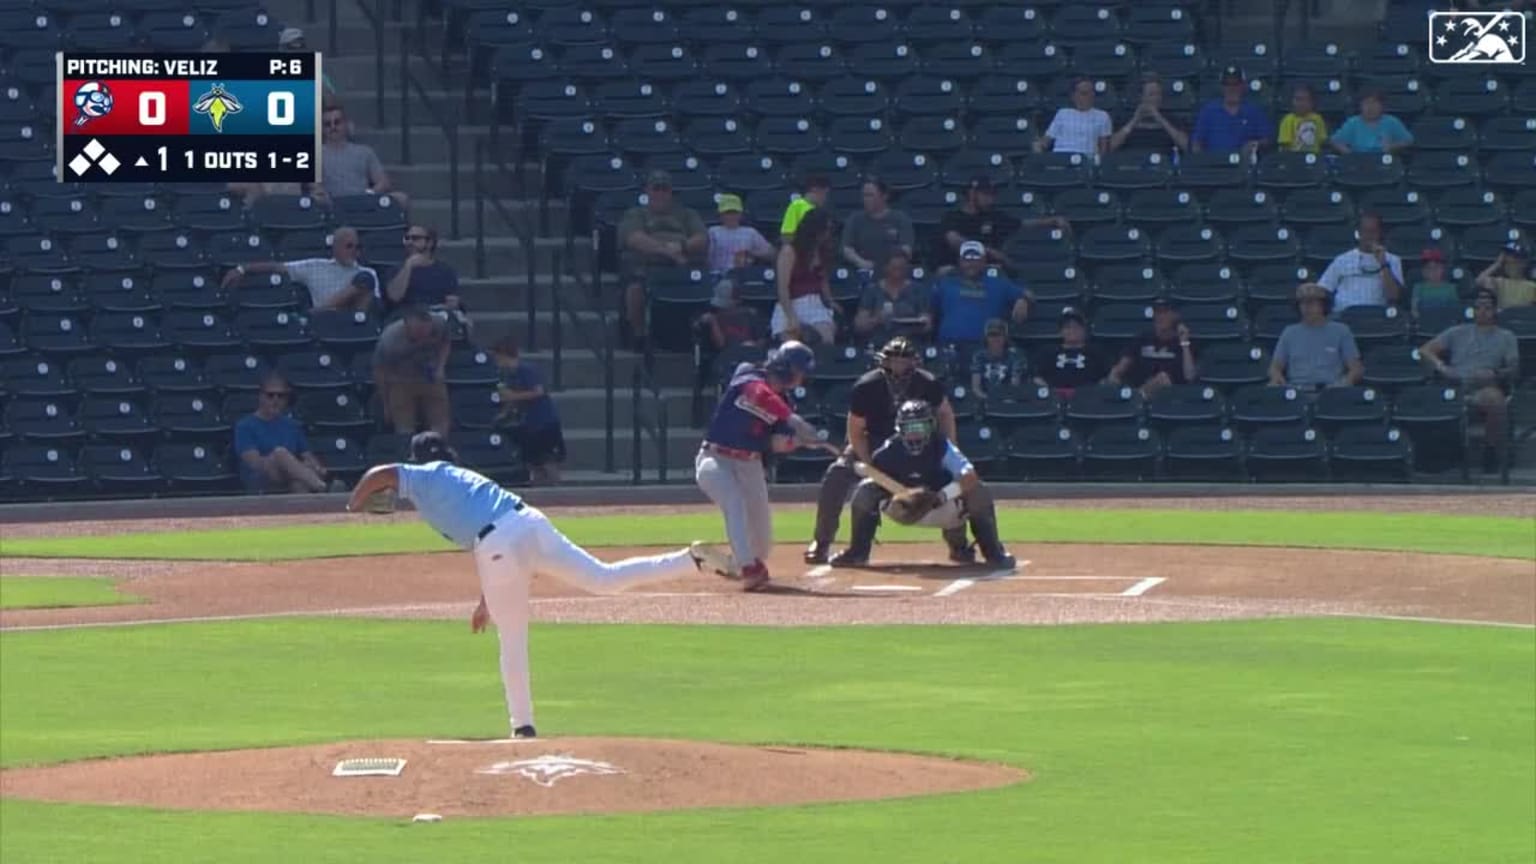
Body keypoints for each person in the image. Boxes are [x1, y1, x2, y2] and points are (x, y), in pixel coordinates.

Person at [346, 432, 733, 739]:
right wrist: (487, 600)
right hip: (529, 522)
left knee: (512, 637)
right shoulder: (463, 480)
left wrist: (353, 504)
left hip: (499, 543)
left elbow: (380, 474)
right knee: (604, 578)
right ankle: (690, 559)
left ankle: (523, 725)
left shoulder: (426, 475)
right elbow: (490, 537)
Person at [805, 336, 957, 564]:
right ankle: (823, 541)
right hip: (873, 442)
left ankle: (959, 545)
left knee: (953, 478)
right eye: (893, 361)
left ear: (914, 362)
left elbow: (945, 413)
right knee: (836, 473)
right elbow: (855, 428)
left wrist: (947, 449)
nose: (898, 366)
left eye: (903, 361)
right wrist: (871, 465)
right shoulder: (867, 386)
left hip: (920, 444)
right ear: (883, 361)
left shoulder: (928, 383)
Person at [694, 342, 826, 591]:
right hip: (715, 459)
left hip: (750, 465)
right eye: (799, 371)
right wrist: (795, 421)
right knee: (734, 503)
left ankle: (740, 563)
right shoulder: (748, 373)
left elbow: (774, 443)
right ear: (786, 368)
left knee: (762, 541)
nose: (802, 377)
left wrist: (799, 442)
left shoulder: (786, 404)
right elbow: (758, 394)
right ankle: (747, 568)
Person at [829, 400, 1015, 569]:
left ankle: (990, 552)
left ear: (930, 427)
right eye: (909, 428)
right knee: (865, 491)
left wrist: (941, 496)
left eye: (919, 426)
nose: (914, 433)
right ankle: (857, 552)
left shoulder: (941, 446)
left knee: (978, 492)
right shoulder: (887, 452)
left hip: (943, 506)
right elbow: (875, 480)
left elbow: (969, 475)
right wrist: (901, 498)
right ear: (899, 429)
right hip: (903, 509)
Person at [1420, 289, 1520, 471]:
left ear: (1496, 310)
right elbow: (1425, 350)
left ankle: (1491, 451)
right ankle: (1437, 456)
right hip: (1455, 385)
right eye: (1478, 307)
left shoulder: (1506, 337)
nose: (1482, 311)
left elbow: (1513, 368)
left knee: (1495, 399)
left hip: (1485, 386)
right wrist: (1442, 367)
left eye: (1487, 308)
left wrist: (1496, 373)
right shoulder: (1457, 332)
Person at [618, 170, 708, 343]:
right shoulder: (636, 214)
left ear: (671, 192)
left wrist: (682, 246)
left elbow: (702, 239)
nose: (660, 193)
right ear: (647, 191)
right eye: (655, 189)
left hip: (682, 270)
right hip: (648, 268)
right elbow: (634, 239)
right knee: (635, 290)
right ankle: (639, 336)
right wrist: (669, 252)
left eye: (664, 189)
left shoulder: (687, 214)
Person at [221, 226, 377, 312]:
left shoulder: (368, 272)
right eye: (349, 246)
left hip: (355, 320)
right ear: (335, 247)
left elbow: (373, 305)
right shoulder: (316, 266)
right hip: (326, 324)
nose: (355, 251)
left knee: (364, 279)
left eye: (358, 247)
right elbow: (279, 267)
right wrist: (243, 269)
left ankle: (319, 312)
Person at [234, 372, 335, 494]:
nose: (276, 400)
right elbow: (254, 463)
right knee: (280, 453)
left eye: (280, 396)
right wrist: (284, 464)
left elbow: (307, 455)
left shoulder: (293, 426)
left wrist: (315, 468)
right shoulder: (245, 426)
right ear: (261, 396)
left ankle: (309, 510)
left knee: (298, 483)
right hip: (261, 477)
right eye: (270, 395)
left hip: (291, 475)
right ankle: (324, 488)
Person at [936, 176, 1065, 269]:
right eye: (985, 194)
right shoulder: (952, 217)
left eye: (992, 195)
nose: (990, 200)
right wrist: (991, 252)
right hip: (957, 270)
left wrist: (1051, 221)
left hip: (988, 272)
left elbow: (1021, 224)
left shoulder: (994, 216)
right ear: (972, 194)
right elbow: (954, 240)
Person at [930, 241, 1031, 352]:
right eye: (967, 260)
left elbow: (1028, 294)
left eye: (976, 260)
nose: (971, 264)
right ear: (959, 261)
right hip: (949, 346)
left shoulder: (998, 282)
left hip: (985, 348)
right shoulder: (946, 281)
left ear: (984, 261)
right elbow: (928, 306)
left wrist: (1023, 300)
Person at [490, 339, 566, 486]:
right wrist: (504, 413)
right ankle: (540, 485)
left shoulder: (526, 369)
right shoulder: (511, 375)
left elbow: (538, 391)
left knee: (545, 458)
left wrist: (512, 396)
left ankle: (557, 488)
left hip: (544, 421)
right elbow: (514, 399)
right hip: (530, 422)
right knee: (532, 459)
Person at [372, 305, 451, 435]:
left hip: (430, 376)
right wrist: (385, 403)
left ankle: (440, 449)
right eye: (419, 332)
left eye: (427, 332)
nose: (424, 336)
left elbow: (446, 342)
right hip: (400, 380)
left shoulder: (440, 324)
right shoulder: (390, 338)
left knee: (441, 423)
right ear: (407, 325)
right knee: (404, 429)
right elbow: (379, 370)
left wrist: (441, 367)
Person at [1268, 283, 1364, 391]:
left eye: (1311, 302)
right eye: (1302, 303)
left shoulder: (1341, 331)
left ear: (1323, 305)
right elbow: (1275, 367)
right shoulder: (1289, 332)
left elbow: (1356, 368)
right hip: (1297, 391)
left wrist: (1346, 382)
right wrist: (1276, 377)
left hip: (1331, 391)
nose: (1306, 307)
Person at [770, 207, 839, 345]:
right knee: (791, 345)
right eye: (826, 229)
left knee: (826, 338)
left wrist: (830, 300)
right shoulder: (789, 251)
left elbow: (822, 279)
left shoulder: (822, 250)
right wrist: (791, 317)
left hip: (813, 302)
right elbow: (783, 288)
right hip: (790, 303)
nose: (828, 234)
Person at [320, 104, 407, 210]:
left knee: (401, 198)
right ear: (322, 129)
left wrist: (369, 193)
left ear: (346, 124)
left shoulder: (364, 152)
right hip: (335, 205)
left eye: (337, 122)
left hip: (364, 202)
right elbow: (315, 188)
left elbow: (383, 181)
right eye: (328, 124)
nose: (333, 127)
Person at [1108, 298, 1198, 396]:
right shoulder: (1143, 338)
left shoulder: (1185, 343)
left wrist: (1184, 343)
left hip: (1171, 396)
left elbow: (1190, 376)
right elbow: (1123, 364)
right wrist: (1114, 374)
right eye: (1157, 312)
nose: (1160, 316)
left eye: (1165, 312)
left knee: (1162, 378)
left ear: (1175, 316)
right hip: (1138, 386)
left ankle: (1136, 399)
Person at [1317, 213, 1404, 311]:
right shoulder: (1342, 260)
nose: (1368, 236)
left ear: (1380, 233)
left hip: (1377, 317)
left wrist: (1383, 263)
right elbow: (1323, 289)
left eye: (1373, 231)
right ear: (1358, 233)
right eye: (1365, 231)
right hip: (1344, 315)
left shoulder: (1393, 260)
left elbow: (1393, 296)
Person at [383, 224, 463, 321]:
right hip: (405, 317)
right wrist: (408, 266)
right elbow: (394, 297)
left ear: (430, 243)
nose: (410, 242)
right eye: (407, 238)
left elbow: (452, 302)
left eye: (415, 238)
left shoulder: (445, 270)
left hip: (436, 316)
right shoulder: (396, 269)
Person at [1191, 66, 1273, 157]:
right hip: (1214, 164)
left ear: (1243, 86)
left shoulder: (1254, 111)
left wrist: (1254, 144)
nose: (1231, 88)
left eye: (1235, 84)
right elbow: (1197, 142)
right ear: (1222, 87)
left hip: (1245, 164)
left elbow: (1267, 140)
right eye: (1227, 84)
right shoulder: (1208, 110)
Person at [853, 250, 931, 343]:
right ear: (886, 268)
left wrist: (919, 324)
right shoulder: (872, 291)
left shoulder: (918, 290)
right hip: (879, 343)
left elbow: (928, 325)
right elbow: (859, 326)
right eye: (895, 268)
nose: (898, 272)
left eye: (901, 268)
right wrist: (877, 319)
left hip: (909, 344)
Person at [1033, 307, 1110, 399]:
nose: (1072, 330)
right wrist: (1049, 392)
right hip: (1053, 398)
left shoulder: (1096, 351)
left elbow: (1107, 377)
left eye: (1076, 327)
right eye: (1067, 327)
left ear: (1085, 330)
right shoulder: (1048, 351)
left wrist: (1094, 392)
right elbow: (1037, 377)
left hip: (1089, 399)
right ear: (1061, 331)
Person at [841, 178, 915, 273]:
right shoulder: (855, 219)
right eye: (864, 195)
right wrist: (861, 262)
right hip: (864, 269)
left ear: (884, 196)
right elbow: (847, 248)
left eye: (870, 195)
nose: (865, 199)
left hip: (893, 271)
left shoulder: (900, 218)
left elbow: (907, 249)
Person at [1109, 74, 1190, 153]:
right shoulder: (1126, 119)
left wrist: (1161, 119)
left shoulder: (1172, 119)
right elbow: (1110, 147)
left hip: (1164, 164)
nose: (1156, 98)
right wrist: (1134, 121)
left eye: (1158, 94)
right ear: (1141, 97)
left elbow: (1186, 146)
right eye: (1151, 95)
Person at [1037, 77, 1113, 156]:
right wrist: (1039, 145)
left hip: (1086, 160)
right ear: (1074, 96)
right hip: (1061, 157)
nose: (1090, 96)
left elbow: (1104, 147)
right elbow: (1047, 139)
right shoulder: (1062, 113)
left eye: (1092, 92)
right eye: (1084, 93)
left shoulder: (1102, 116)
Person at [705, 193, 775, 275]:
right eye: (727, 212)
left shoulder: (750, 232)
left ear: (741, 214)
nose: (731, 216)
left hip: (745, 276)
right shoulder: (712, 232)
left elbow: (772, 254)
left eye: (734, 212)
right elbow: (704, 257)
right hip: (718, 275)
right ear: (720, 215)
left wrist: (752, 253)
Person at [1329, 90, 1413, 155]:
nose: (1370, 107)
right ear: (1360, 106)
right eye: (1366, 103)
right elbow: (1335, 141)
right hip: (1359, 162)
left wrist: (1393, 147)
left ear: (1382, 105)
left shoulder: (1391, 122)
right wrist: (1349, 154)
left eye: (1374, 103)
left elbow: (1408, 141)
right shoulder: (1353, 123)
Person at [970, 319, 1028, 400]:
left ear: (1005, 338)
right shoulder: (979, 356)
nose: (995, 338)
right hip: (984, 399)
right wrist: (987, 399)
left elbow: (1014, 384)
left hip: (1009, 399)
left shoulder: (1015, 356)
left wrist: (1004, 399)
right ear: (986, 338)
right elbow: (975, 387)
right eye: (992, 335)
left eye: (999, 335)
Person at [1474, 243, 1535, 308]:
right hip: (1503, 318)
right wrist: (1497, 264)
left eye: (1514, 259)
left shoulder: (1532, 287)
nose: (1508, 263)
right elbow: (1479, 281)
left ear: (1523, 263)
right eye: (1506, 261)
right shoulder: (1500, 283)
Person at [1277, 83, 1329, 154]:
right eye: (1298, 99)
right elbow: (1284, 146)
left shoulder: (1317, 119)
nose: (1301, 103)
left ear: (1312, 102)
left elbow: (1322, 141)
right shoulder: (1287, 120)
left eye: (1305, 100)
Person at [779, 174, 831, 242]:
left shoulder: (822, 211)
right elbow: (786, 236)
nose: (825, 198)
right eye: (825, 194)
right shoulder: (797, 206)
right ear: (815, 190)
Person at [1412, 248, 1461, 316]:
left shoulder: (1451, 288)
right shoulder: (1418, 288)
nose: (1433, 271)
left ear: (1442, 269)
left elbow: (1455, 310)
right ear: (1423, 272)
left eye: (1437, 267)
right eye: (1429, 268)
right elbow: (1414, 309)